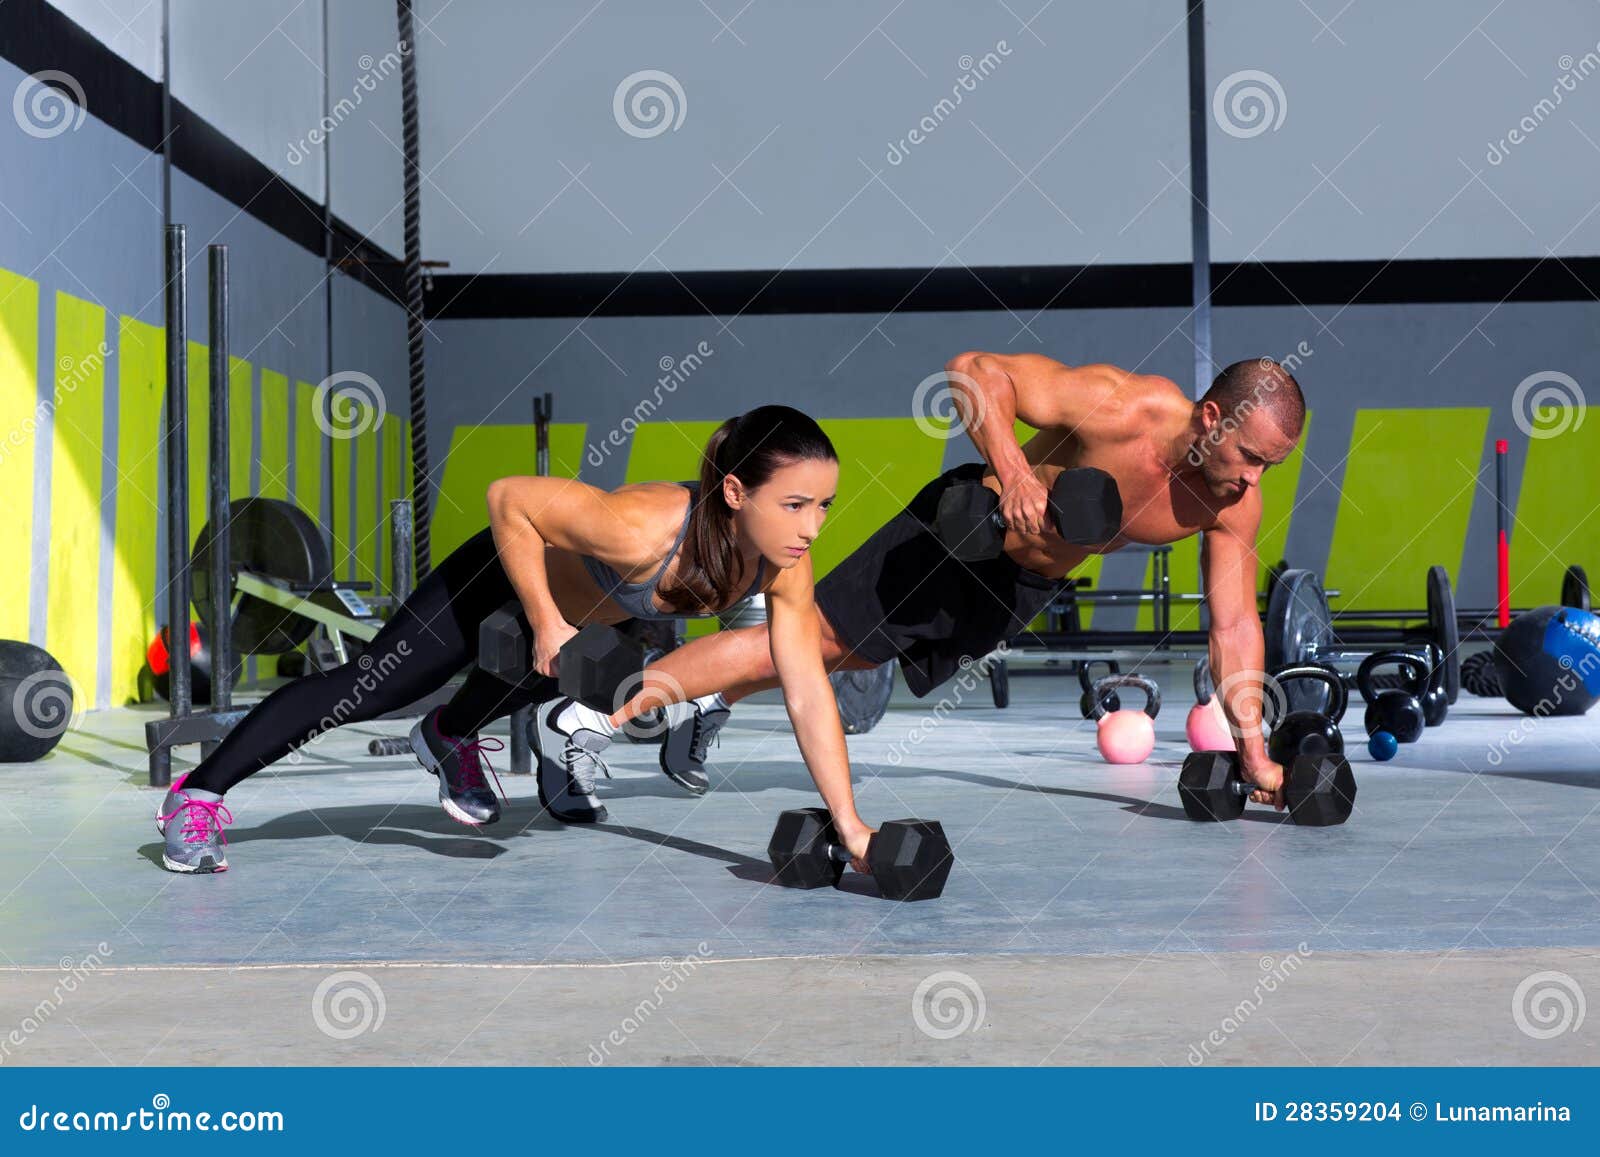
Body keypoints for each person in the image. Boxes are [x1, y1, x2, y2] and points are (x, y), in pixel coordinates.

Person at [156, 405, 881, 875]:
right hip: (498, 581)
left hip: (580, 620)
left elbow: (808, 690)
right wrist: (542, 615)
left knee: (588, 672)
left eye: (823, 505)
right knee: (370, 688)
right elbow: (509, 497)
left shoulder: (782, 563)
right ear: (733, 493)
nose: (812, 526)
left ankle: (448, 734)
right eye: (794, 504)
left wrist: (849, 824)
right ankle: (198, 795)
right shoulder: (639, 525)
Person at [598, 355, 1306, 809]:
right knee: (797, 643)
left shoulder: (1233, 502)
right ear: (1212, 418)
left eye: (1268, 465)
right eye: (1249, 456)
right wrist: (1018, 469)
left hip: (1020, 588)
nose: (1253, 478)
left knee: (844, 654)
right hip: (967, 534)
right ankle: (594, 716)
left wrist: (1254, 754)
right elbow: (974, 371)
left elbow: (1234, 625)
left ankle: (704, 701)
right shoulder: (1120, 408)